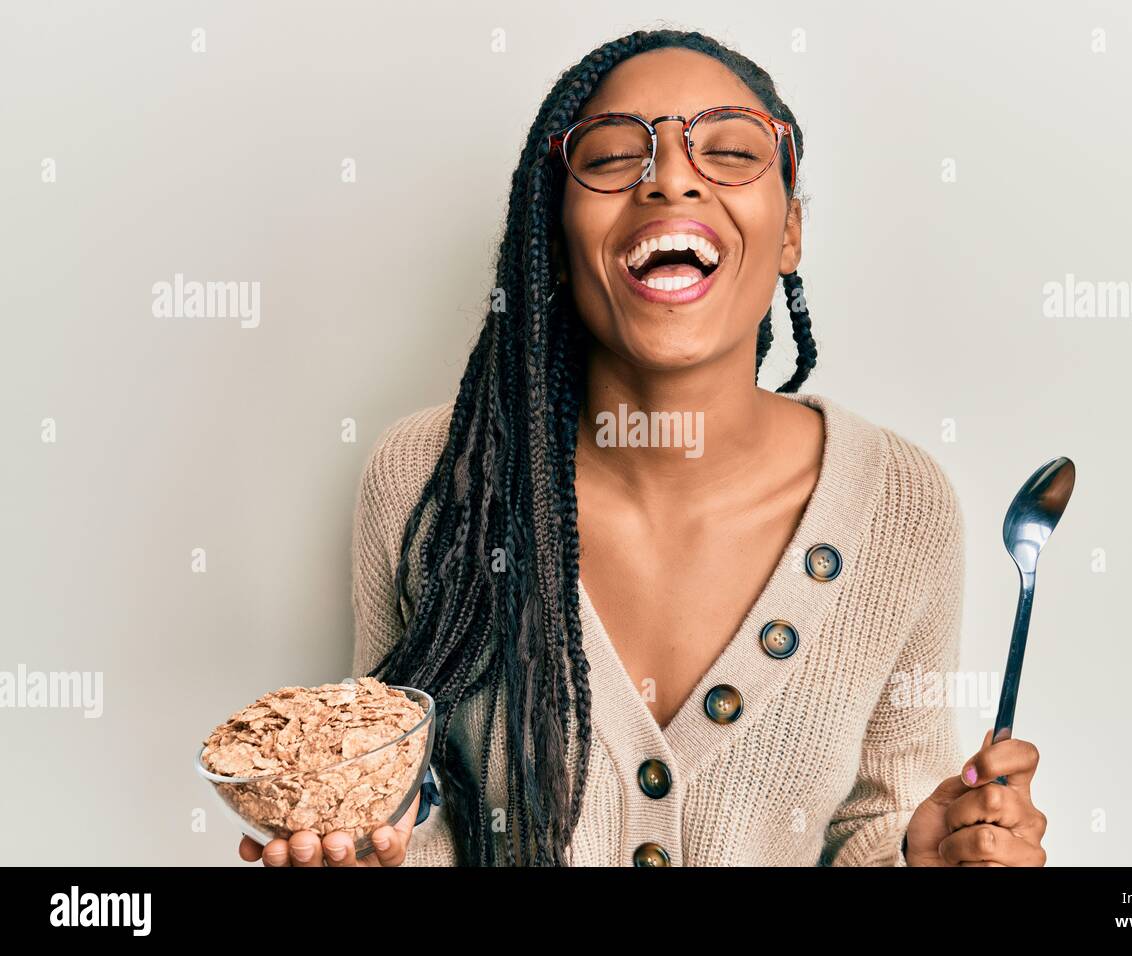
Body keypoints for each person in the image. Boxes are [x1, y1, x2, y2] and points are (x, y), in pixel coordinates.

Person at [242, 28, 1047, 868]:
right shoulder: (427, 480)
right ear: (552, 236)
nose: (669, 178)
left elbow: (875, 829)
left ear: (790, 233)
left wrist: (930, 860)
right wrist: (374, 854)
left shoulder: (903, 506)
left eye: (731, 150)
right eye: (616, 156)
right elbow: (407, 805)